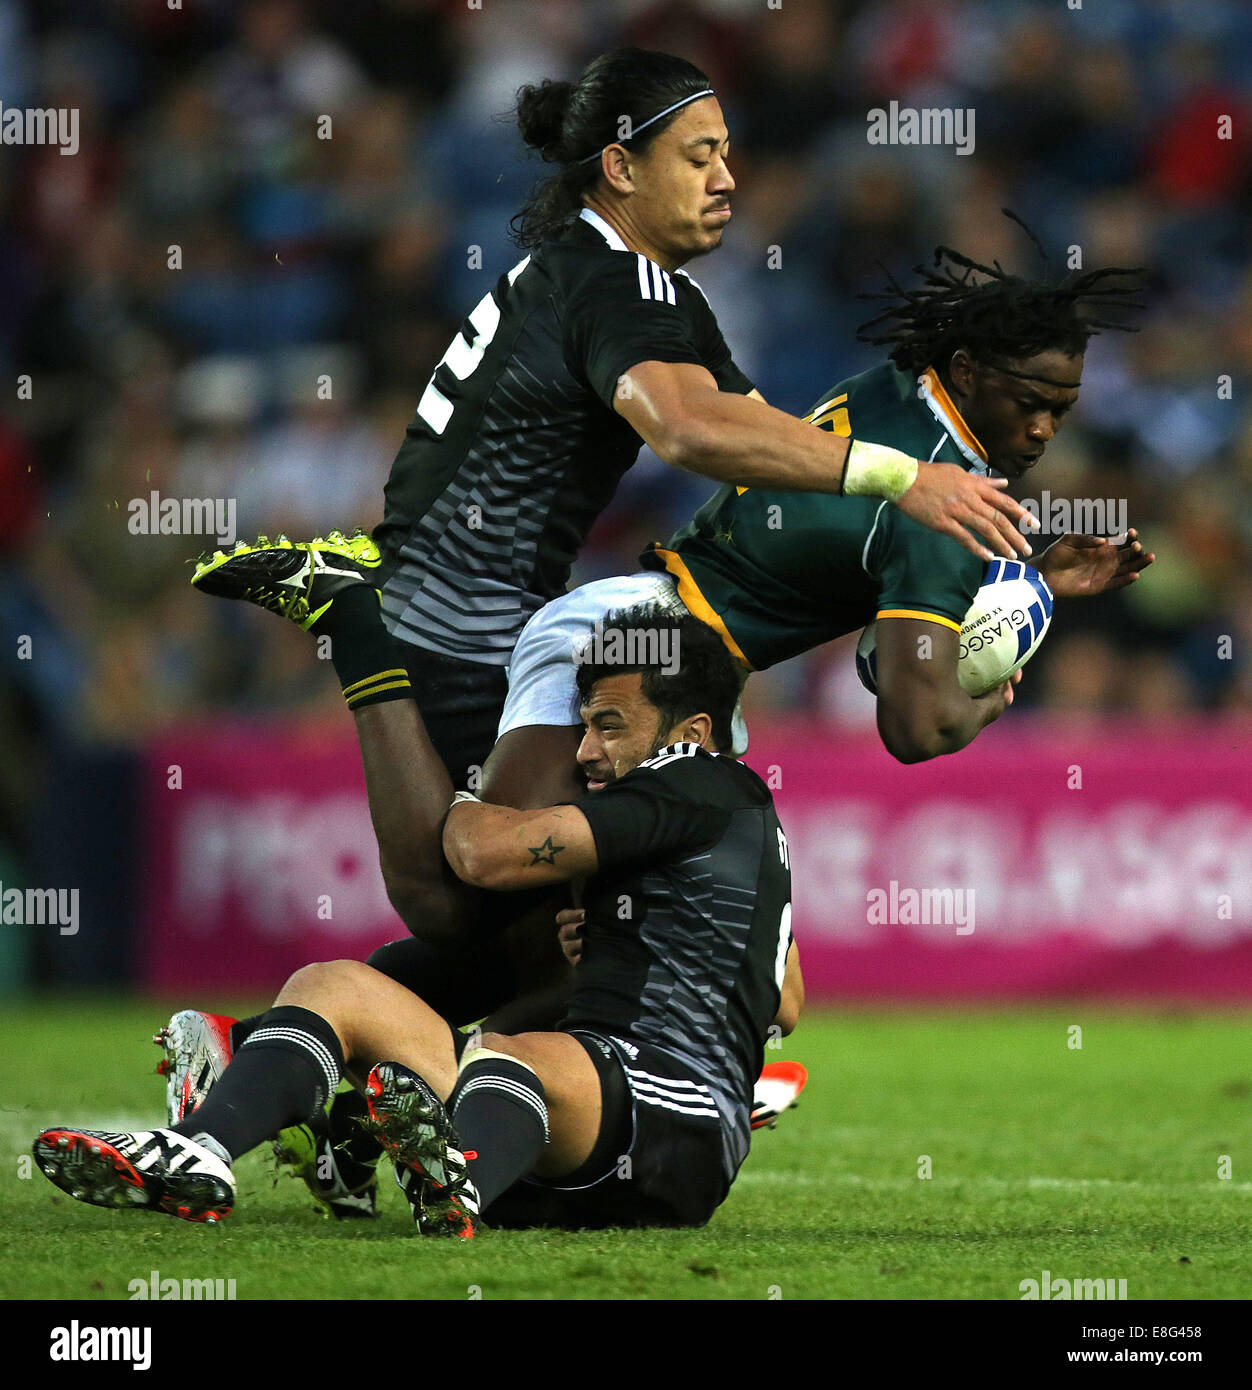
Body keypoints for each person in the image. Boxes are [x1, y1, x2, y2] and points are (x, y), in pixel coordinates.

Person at [36, 610, 800, 1236]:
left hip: (668, 1123)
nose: (585, 751)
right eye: (584, 725)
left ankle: (424, 1158)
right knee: (335, 985)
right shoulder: (715, 825)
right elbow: (786, 1000)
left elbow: (486, 858)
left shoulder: (700, 780)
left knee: (510, 1055)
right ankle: (201, 1150)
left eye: (608, 726)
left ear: (690, 733)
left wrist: (466, 795)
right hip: (576, 1144)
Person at [494, 230, 1155, 770]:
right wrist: (990, 701)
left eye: (1060, 412)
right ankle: (383, 679)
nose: (1042, 429)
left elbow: (870, 547)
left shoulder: (900, 385)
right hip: (645, 657)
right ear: (966, 372)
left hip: (670, 657)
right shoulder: (943, 509)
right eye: (1028, 404)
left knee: (694, 918)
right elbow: (917, 729)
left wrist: (1031, 581)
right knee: (499, 871)